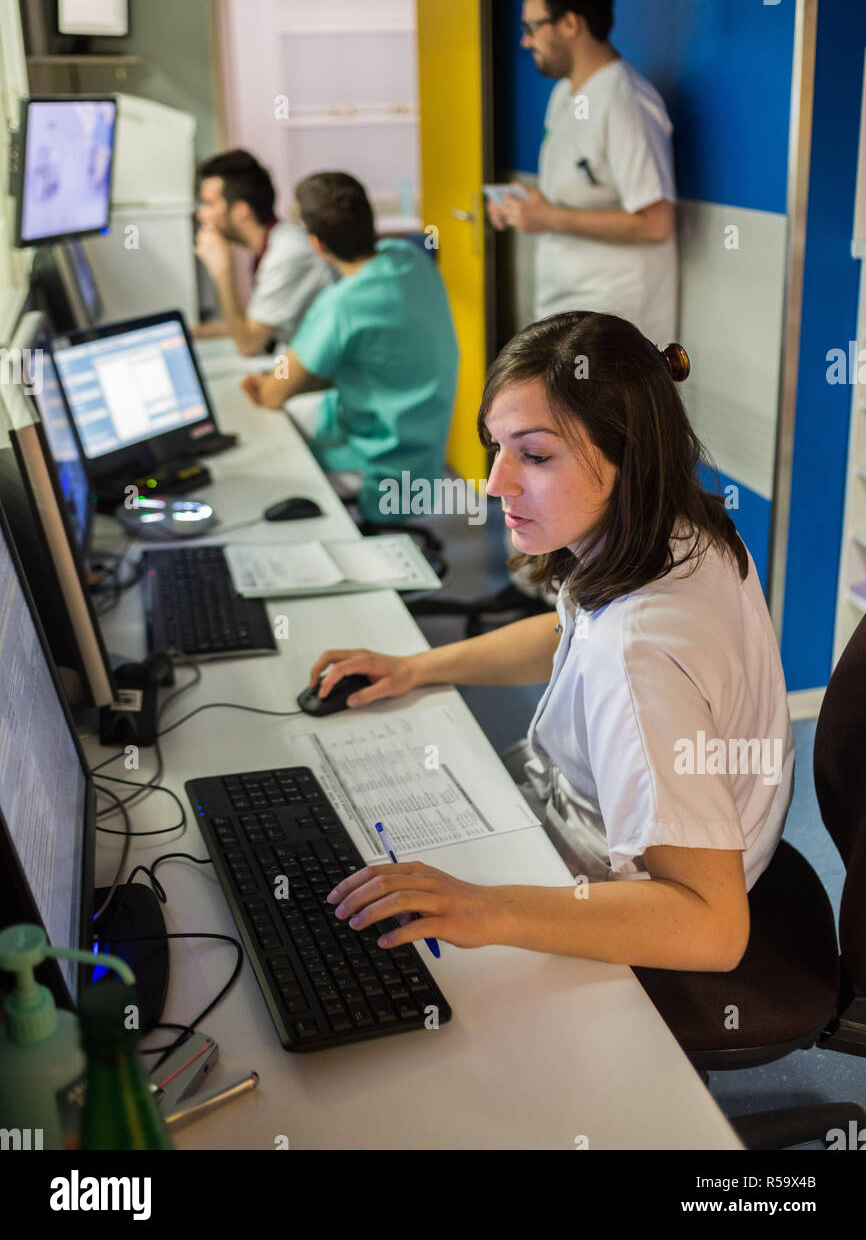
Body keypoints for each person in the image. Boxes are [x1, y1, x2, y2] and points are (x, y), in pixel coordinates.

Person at [307, 312, 794, 972]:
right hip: (694, 828)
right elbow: (571, 632)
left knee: (360, 916)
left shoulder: (640, 655)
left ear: (630, 452)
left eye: (535, 456)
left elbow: (712, 927)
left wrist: (488, 910)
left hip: (649, 894)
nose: (495, 485)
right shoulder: (681, 528)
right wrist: (415, 667)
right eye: (497, 448)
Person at [240, 171, 459, 524]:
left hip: (381, 461)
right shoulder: (410, 257)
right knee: (299, 414)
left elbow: (273, 395)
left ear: (316, 244)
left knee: (268, 457)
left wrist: (268, 383)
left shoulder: (341, 305)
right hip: (424, 445)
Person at [488, 0, 677, 347]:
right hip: (564, 310)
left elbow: (656, 223)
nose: (525, 41)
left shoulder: (626, 101)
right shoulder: (563, 95)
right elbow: (575, 189)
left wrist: (550, 217)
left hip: (614, 323)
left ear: (571, 24)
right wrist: (522, 206)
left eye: (531, 27)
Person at [193, 149, 333, 354]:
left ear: (241, 210)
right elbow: (253, 321)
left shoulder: (287, 254)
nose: (201, 215)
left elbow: (248, 344)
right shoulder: (276, 241)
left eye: (208, 204)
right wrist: (193, 332)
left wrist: (222, 271)